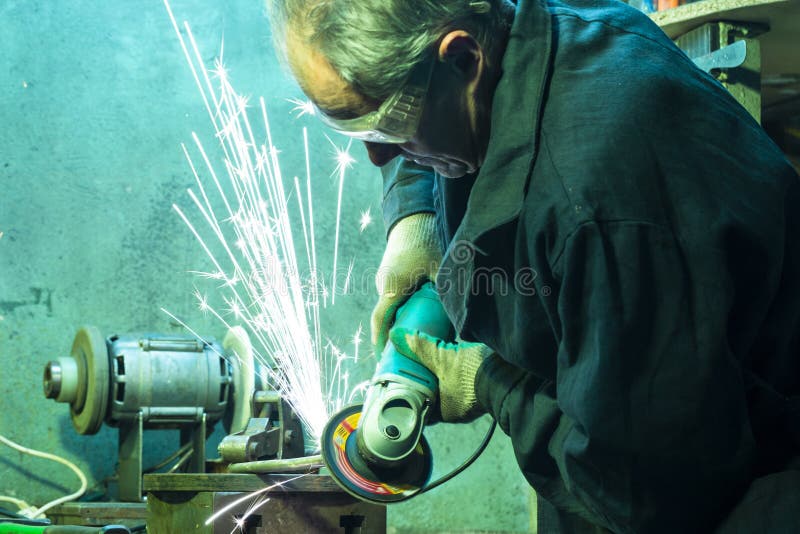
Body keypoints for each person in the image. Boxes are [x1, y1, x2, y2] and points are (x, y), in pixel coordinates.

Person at [266, 0, 800, 531]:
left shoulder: (600, 211)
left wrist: (490, 383)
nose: (379, 158)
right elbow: (424, 122)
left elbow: (646, 489)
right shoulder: (519, 30)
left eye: (386, 127)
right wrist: (418, 218)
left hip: (747, 487)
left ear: (463, 59)